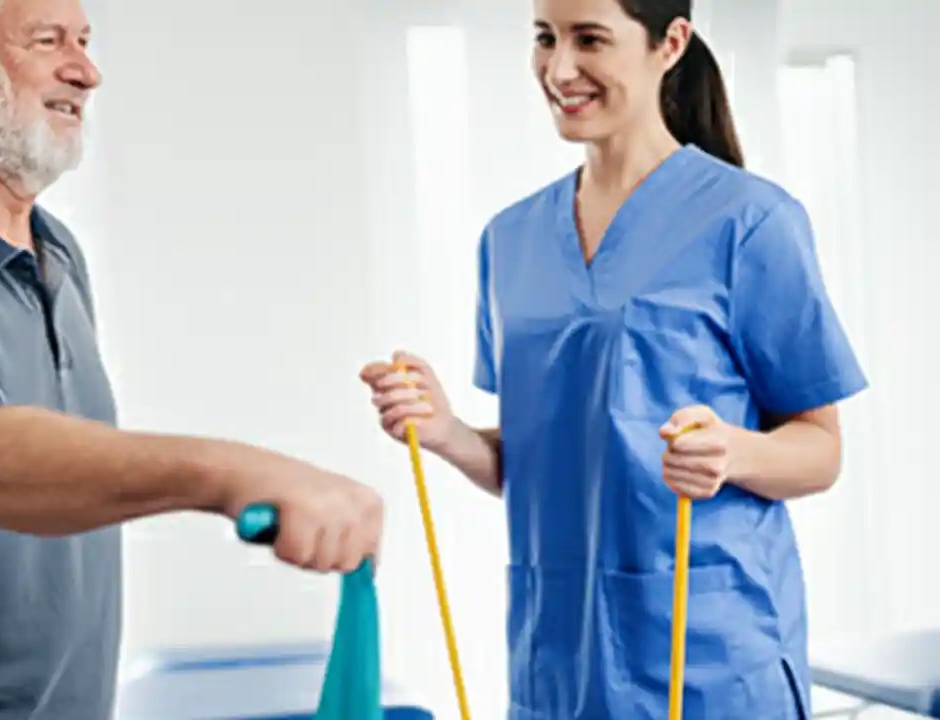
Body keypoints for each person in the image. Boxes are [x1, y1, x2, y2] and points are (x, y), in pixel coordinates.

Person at [0, 1, 384, 718]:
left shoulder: (54, 249)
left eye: (86, 41)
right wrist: (231, 474)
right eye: (48, 41)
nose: (87, 71)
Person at [360, 0, 867, 718]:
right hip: (559, 656)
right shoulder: (509, 240)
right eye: (545, 38)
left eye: (589, 39)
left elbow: (820, 451)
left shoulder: (751, 221)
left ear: (671, 43)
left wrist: (734, 452)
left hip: (711, 660)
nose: (558, 68)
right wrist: (447, 432)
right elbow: (544, 464)